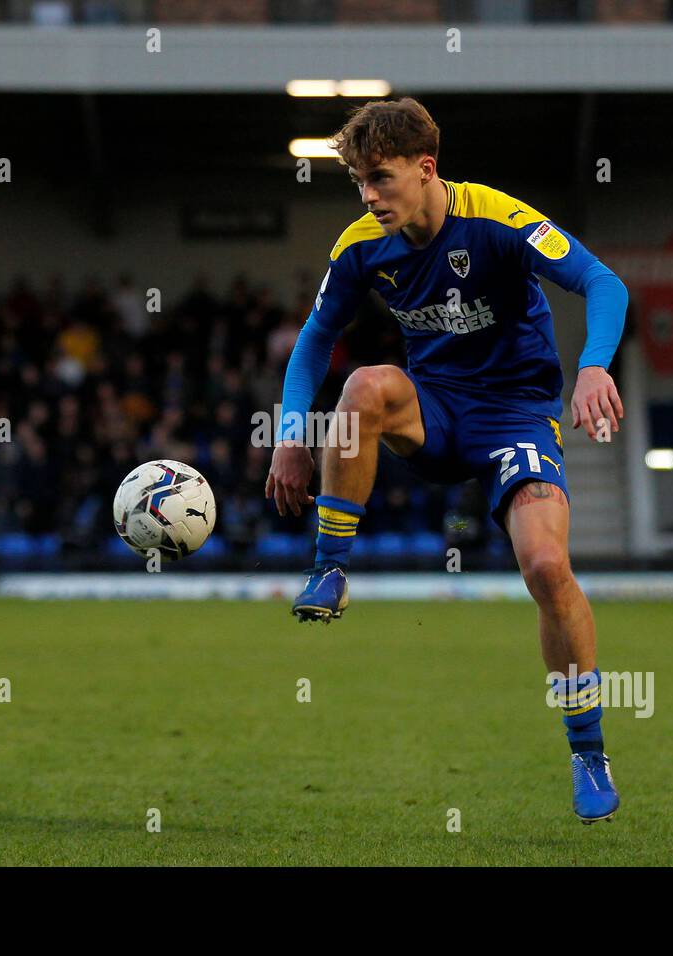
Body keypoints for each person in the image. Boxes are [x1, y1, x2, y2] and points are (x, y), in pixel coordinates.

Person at [264, 98, 628, 824]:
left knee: (548, 570)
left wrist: (592, 366)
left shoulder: (496, 218)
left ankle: (586, 746)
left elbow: (604, 283)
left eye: (380, 178)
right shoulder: (361, 244)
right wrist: (290, 433)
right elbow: (313, 340)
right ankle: (330, 566)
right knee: (364, 383)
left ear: (425, 169)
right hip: (432, 412)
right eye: (359, 183)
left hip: (517, 417)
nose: (369, 196)